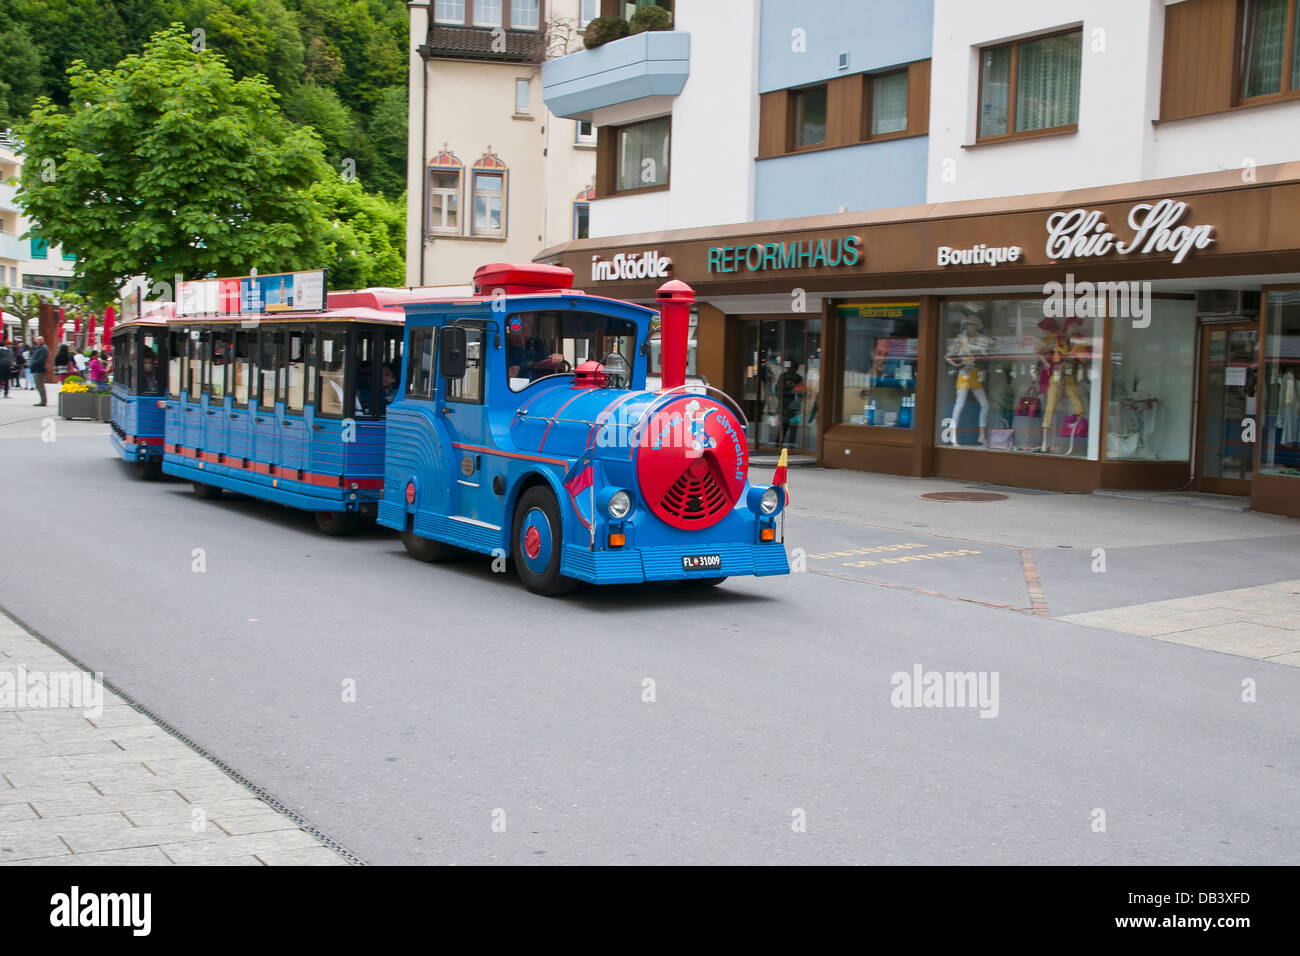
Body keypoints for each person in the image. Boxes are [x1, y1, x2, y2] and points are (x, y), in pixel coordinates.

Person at [29, 336, 49, 405]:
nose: (36, 341)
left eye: (38, 340)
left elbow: (41, 359)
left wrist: (32, 363)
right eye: (36, 340)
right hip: (36, 368)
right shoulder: (39, 348)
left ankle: (43, 401)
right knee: (38, 385)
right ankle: (43, 400)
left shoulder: (43, 348)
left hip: (39, 368)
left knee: (40, 385)